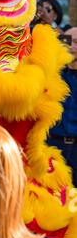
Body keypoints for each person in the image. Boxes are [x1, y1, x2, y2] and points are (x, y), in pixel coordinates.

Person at [47, 27, 77, 187]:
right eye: (68, 41)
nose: (72, 46)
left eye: (76, 42)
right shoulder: (54, 73)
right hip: (53, 144)